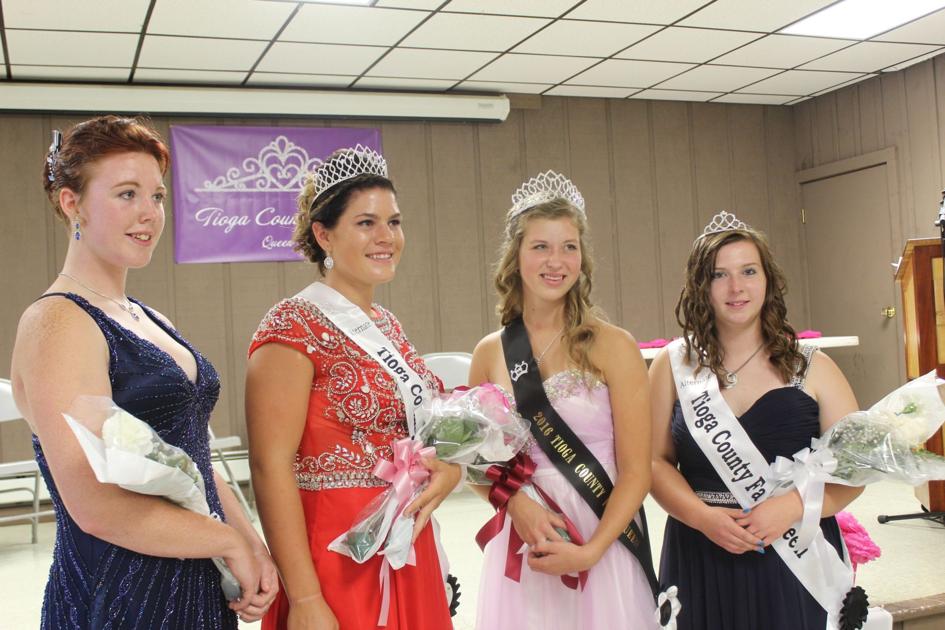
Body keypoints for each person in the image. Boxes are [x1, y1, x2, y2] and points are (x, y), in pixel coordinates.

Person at [9, 115, 277, 629]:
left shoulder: (149, 316)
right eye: (126, 194)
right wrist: (225, 539)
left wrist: (250, 540)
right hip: (122, 593)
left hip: (191, 572)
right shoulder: (58, 322)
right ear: (72, 203)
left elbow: (190, 453)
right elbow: (94, 505)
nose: (149, 213)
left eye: (156, 196)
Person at [245, 145, 460, 630]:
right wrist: (303, 598)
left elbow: (417, 433)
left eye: (394, 222)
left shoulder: (388, 325)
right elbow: (268, 465)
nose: (386, 237)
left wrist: (447, 470)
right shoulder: (291, 325)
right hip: (335, 556)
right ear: (323, 234)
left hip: (404, 543)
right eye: (366, 223)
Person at [649, 211, 864, 629]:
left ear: (767, 279)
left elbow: (856, 469)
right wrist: (701, 517)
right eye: (719, 275)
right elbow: (655, 462)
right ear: (700, 287)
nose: (736, 287)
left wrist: (794, 506)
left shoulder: (814, 366)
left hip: (792, 550)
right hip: (700, 546)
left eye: (749, 271)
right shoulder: (673, 364)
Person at [468, 171, 660, 630]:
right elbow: (475, 463)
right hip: (526, 542)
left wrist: (591, 551)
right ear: (515, 257)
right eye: (540, 247)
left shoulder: (615, 346)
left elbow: (638, 470)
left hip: (602, 538)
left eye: (569, 246)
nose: (556, 261)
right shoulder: (491, 352)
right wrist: (517, 506)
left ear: (582, 258)